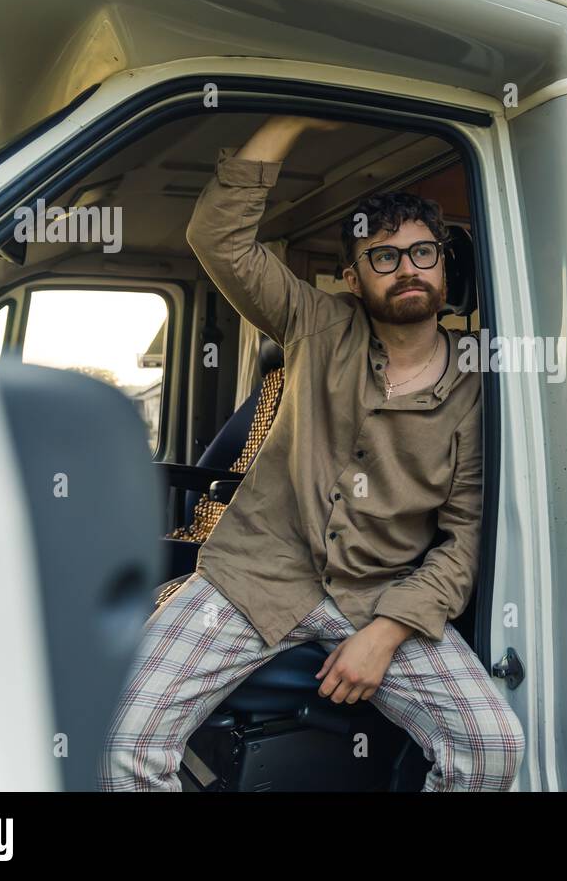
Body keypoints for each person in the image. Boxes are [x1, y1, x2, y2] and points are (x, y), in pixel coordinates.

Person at [98, 115, 525, 791]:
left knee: (493, 747)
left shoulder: (478, 391)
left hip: (381, 594)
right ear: (354, 278)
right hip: (251, 577)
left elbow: (462, 543)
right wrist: (291, 122)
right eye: (383, 258)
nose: (406, 269)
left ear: (446, 267)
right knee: (124, 739)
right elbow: (217, 237)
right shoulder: (315, 323)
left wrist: (385, 633)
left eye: (422, 253)